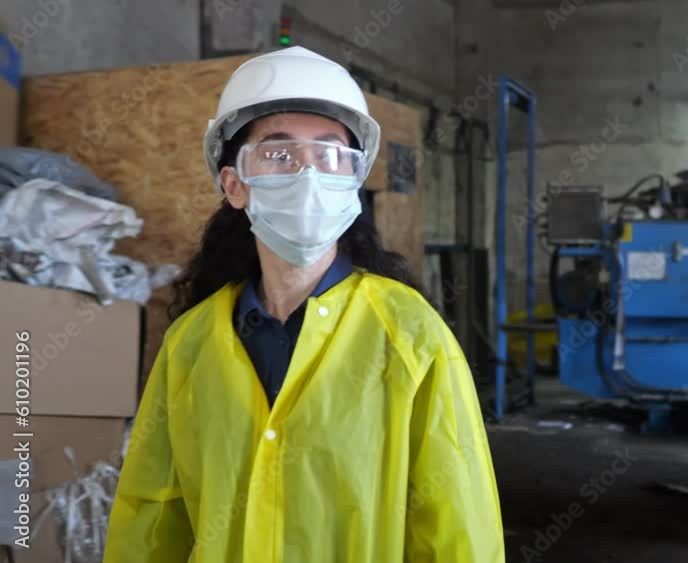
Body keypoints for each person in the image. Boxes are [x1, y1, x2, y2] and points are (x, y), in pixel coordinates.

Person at [103, 46, 504, 562]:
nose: (309, 175)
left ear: (353, 184)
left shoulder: (411, 336)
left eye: (331, 153)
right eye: (278, 153)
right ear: (234, 185)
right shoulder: (191, 344)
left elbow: (456, 524)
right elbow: (153, 512)